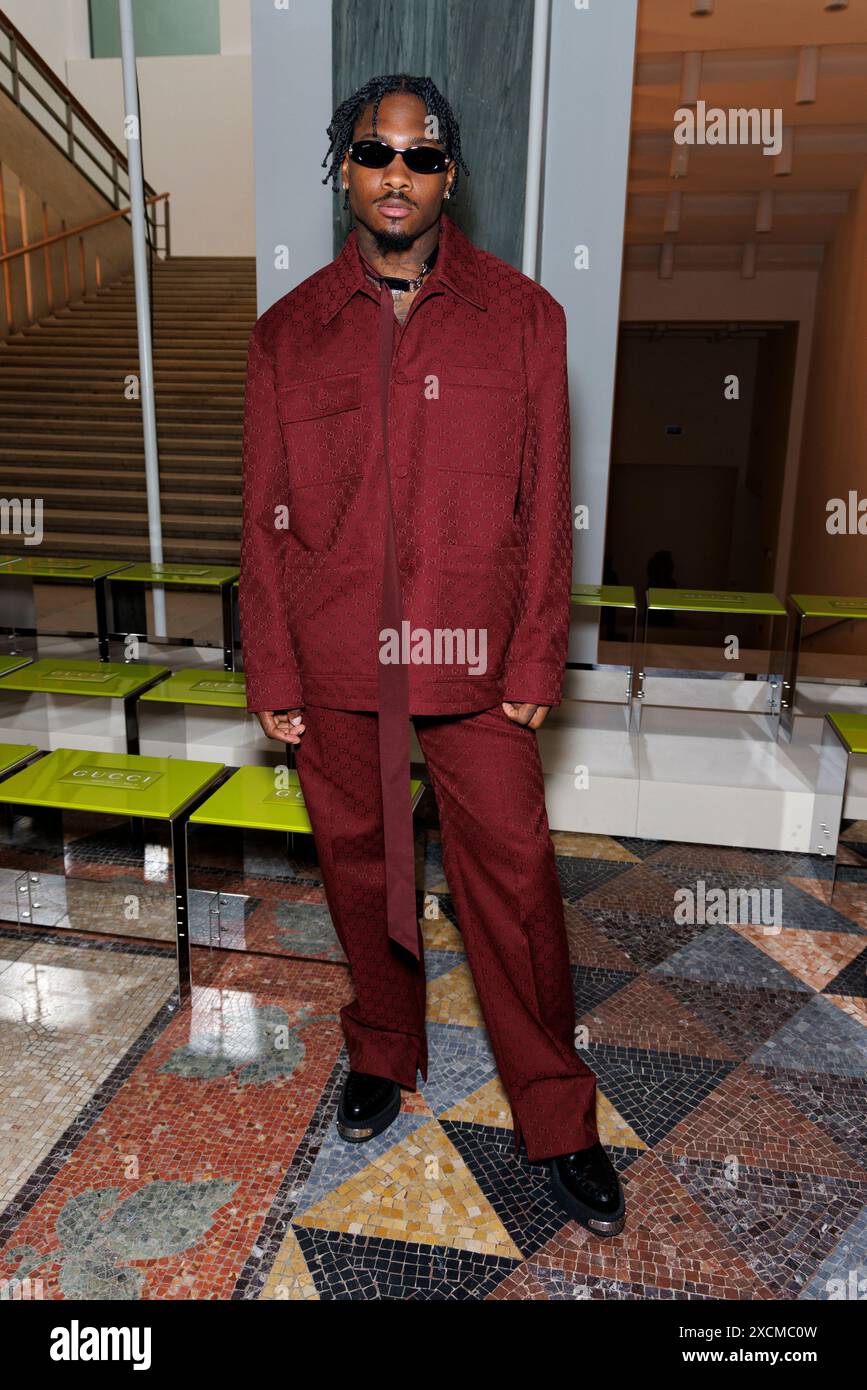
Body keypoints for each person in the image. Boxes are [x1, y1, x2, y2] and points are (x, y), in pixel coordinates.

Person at [239, 72, 625, 1238]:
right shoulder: (284, 333)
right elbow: (262, 518)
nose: (395, 174)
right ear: (343, 171)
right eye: (373, 153)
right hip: (336, 657)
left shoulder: (524, 318)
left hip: (475, 666)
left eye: (419, 156)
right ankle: (384, 1048)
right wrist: (274, 669)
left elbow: (549, 499)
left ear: (450, 173)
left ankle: (556, 1113)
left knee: (513, 886)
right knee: (361, 873)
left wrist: (536, 660)